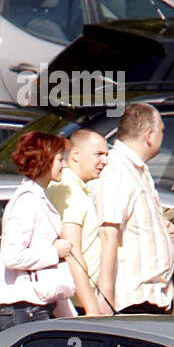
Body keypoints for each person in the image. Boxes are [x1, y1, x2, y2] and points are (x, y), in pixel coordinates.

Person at [97, 103, 174, 315]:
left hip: (152, 298)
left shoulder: (137, 170)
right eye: (161, 130)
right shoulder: (118, 170)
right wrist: (105, 298)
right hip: (132, 301)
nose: (162, 136)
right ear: (149, 135)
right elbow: (108, 232)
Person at [0, 132, 76, 330]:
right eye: (59, 159)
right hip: (24, 310)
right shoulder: (27, 201)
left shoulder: (37, 197)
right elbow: (13, 257)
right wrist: (55, 252)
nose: (63, 165)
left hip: (36, 308)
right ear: (44, 159)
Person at [48, 128, 109, 316]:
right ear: (75, 155)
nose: (104, 162)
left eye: (106, 155)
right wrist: (91, 309)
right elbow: (72, 252)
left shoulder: (76, 188)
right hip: (75, 304)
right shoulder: (69, 191)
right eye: (98, 154)